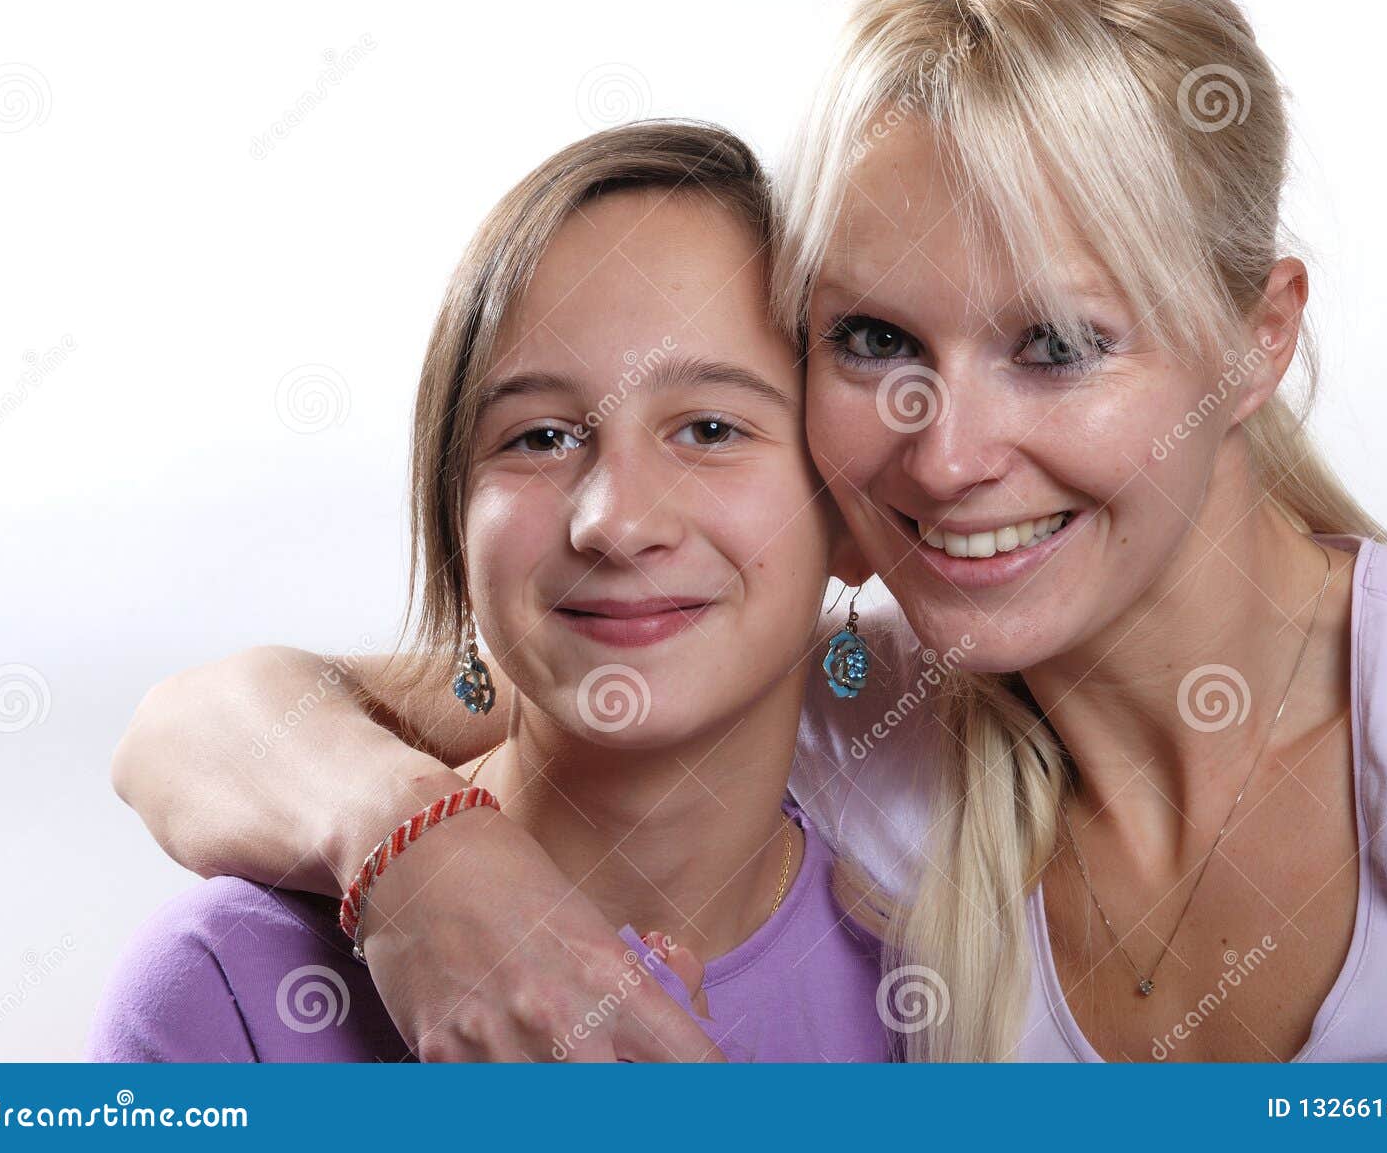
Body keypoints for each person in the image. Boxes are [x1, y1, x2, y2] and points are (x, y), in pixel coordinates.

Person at [109, 0, 1387, 1062]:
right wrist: (419, 854)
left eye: (1055, 344)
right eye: (873, 338)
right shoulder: (842, 706)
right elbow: (206, 720)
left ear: (1257, 338)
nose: (949, 453)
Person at [88, 121, 893, 1063]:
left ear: (847, 511)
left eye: (711, 428)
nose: (617, 521)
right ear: (454, 524)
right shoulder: (225, 988)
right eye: (540, 437)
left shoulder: (946, 987)